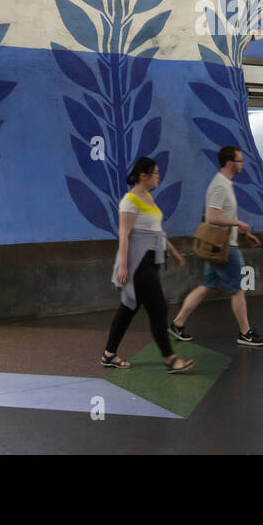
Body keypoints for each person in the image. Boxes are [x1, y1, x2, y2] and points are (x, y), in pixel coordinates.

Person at [168, 145, 263, 347]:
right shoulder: (219, 185)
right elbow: (213, 217)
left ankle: (177, 324)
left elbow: (223, 215)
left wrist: (245, 233)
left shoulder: (225, 184)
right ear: (230, 163)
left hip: (221, 245)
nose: (243, 164)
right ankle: (245, 333)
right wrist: (239, 224)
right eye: (240, 160)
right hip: (224, 248)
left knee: (207, 286)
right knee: (237, 290)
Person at [101, 157, 195, 373]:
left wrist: (173, 251)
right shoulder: (130, 200)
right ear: (143, 175)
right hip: (138, 262)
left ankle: (108, 354)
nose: (158, 177)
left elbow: (156, 230)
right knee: (158, 308)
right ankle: (170, 359)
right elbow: (124, 234)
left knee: (128, 309)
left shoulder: (148, 197)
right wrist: (123, 266)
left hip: (152, 260)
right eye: (155, 174)